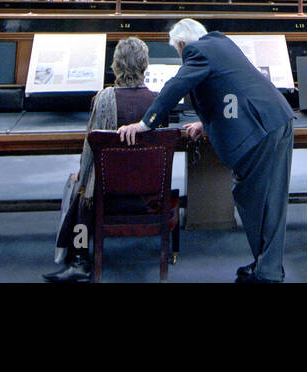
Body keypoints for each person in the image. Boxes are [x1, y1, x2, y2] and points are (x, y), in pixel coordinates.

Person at [118, 19, 294, 282]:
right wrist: (207, 122)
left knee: (252, 197)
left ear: (180, 45)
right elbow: (231, 87)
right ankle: (266, 267)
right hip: (278, 117)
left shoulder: (195, 52)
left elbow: (176, 86)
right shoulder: (221, 42)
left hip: (258, 130)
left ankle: (267, 273)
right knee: (274, 200)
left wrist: (146, 123)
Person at [44, 36, 156, 282]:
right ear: (144, 66)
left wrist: (83, 177)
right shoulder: (158, 102)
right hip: (147, 193)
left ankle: (79, 258)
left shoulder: (103, 99)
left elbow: (91, 146)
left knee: (82, 195)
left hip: (108, 193)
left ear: (115, 66)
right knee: (84, 189)